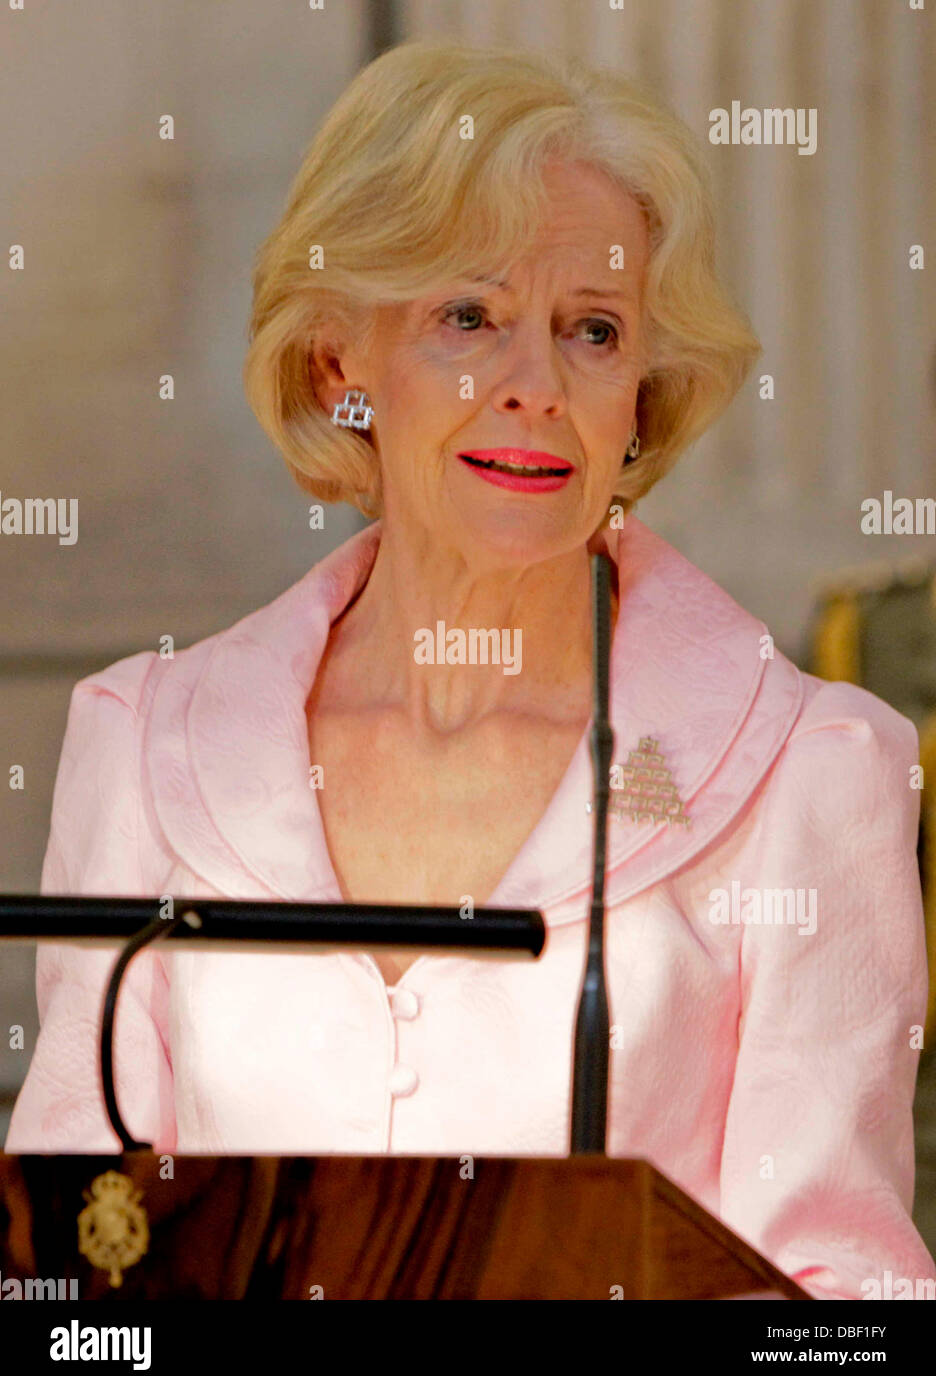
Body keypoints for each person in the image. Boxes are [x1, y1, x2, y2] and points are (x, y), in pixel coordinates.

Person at [7, 38, 934, 1301]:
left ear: (641, 399)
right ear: (342, 366)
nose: (535, 388)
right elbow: (70, 1275)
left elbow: (843, 1307)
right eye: (469, 318)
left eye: (593, 331)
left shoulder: (811, 775)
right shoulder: (144, 743)